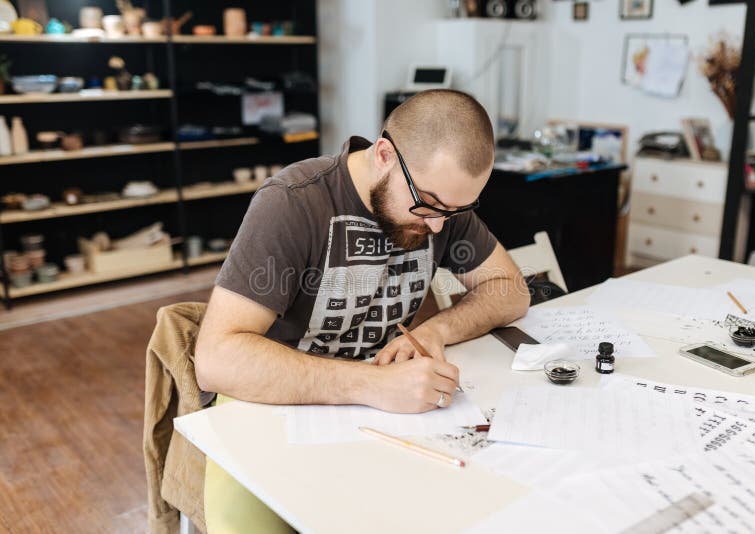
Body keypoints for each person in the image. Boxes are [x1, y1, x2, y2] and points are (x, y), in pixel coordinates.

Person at [195, 89, 531, 532]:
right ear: (385, 154)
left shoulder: (441, 206)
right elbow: (217, 359)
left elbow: (511, 290)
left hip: (376, 411)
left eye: (455, 211)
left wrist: (436, 331)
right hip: (267, 406)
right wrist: (369, 384)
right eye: (428, 204)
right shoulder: (295, 204)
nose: (436, 226)